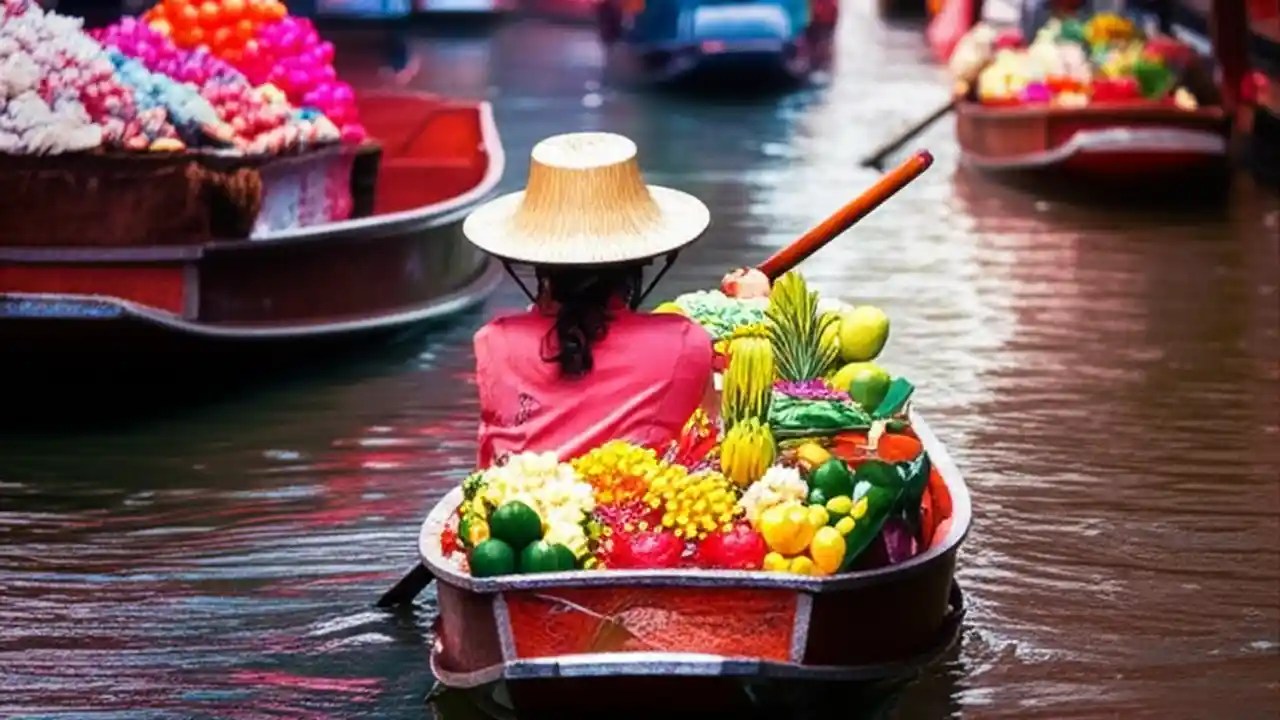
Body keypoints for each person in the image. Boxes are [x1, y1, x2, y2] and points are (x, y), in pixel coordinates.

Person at [462, 132, 716, 467]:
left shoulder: (495, 341)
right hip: (637, 513)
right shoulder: (686, 342)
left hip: (524, 511)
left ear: (541, 267)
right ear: (639, 265)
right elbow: (707, 440)